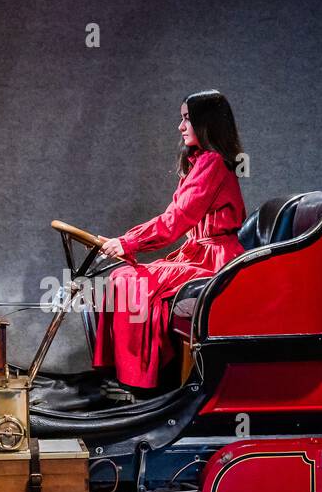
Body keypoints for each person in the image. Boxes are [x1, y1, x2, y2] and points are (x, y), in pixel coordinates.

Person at [93, 90, 247, 391]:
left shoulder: (213, 163)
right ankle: (128, 375)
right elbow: (176, 218)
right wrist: (125, 243)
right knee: (123, 277)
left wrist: (127, 242)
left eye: (187, 119)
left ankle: (138, 382)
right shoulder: (202, 161)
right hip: (196, 254)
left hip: (215, 263)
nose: (181, 126)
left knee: (130, 280)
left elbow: (175, 220)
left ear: (206, 123)